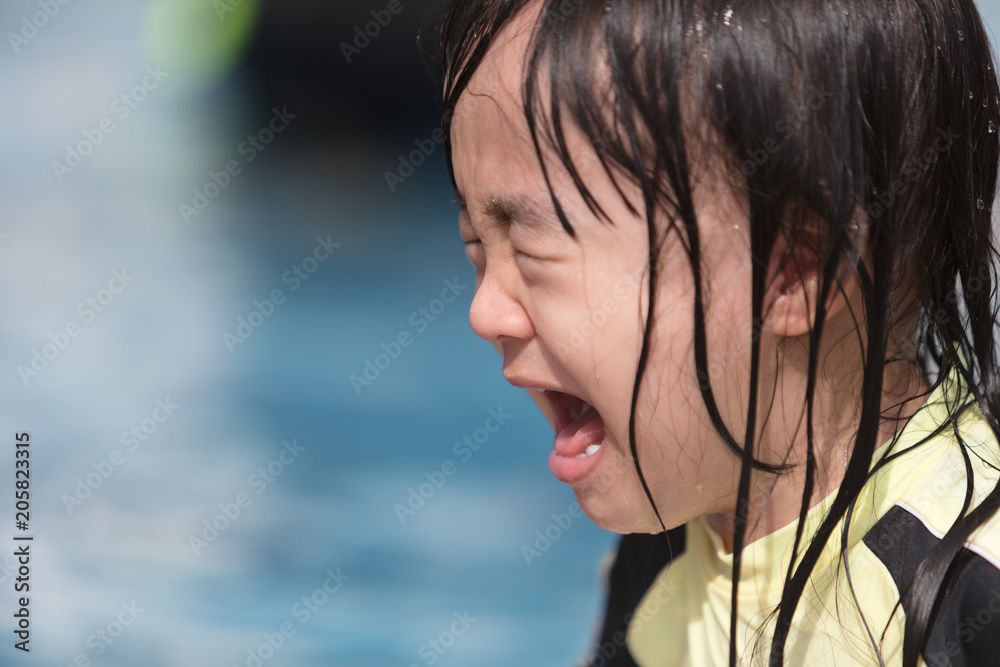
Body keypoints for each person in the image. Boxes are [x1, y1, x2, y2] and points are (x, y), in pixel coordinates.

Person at [436, 0, 1000, 664]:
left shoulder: (968, 597)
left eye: (533, 250)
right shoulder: (665, 549)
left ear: (793, 267)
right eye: (475, 245)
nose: (484, 312)